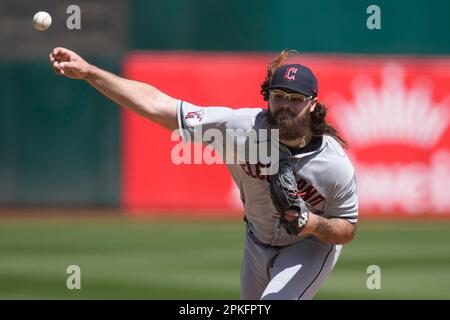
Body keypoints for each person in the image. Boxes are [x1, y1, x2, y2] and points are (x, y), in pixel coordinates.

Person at [49, 48, 358, 300]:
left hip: (308, 247)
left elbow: (347, 229)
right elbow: (158, 106)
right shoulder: (240, 129)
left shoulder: (334, 164)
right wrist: (90, 72)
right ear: (268, 97)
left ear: (312, 105)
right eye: (279, 96)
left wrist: (311, 223)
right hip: (256, 240)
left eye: (295, 99)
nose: (285, 105)